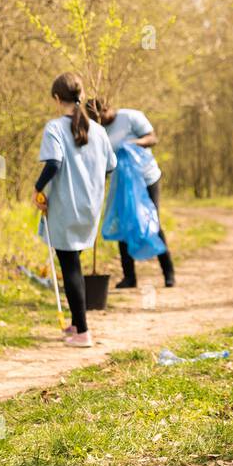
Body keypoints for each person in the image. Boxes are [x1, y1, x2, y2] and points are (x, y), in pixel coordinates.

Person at [34, 72, 117, 348]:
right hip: (90, 207)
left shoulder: (55, 128)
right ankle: (76, 323)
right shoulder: (100, 130)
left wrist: (38, 189)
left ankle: (83, 332)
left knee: (70, 266)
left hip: (65, 206)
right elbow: (110, 166)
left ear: (58, 98)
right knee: (74, 263)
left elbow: (54, 163)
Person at [85, 100, 176, 289]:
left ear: (107, 108)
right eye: (94, 118)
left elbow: (152, 138)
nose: (100, 120)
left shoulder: (131, 116)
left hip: (147, 179)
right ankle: (129, 277)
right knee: (123, 225)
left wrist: (133, 144)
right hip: (123, 184)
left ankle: (169, 274)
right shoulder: (98, 131)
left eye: (101, 115)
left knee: (152, 221)